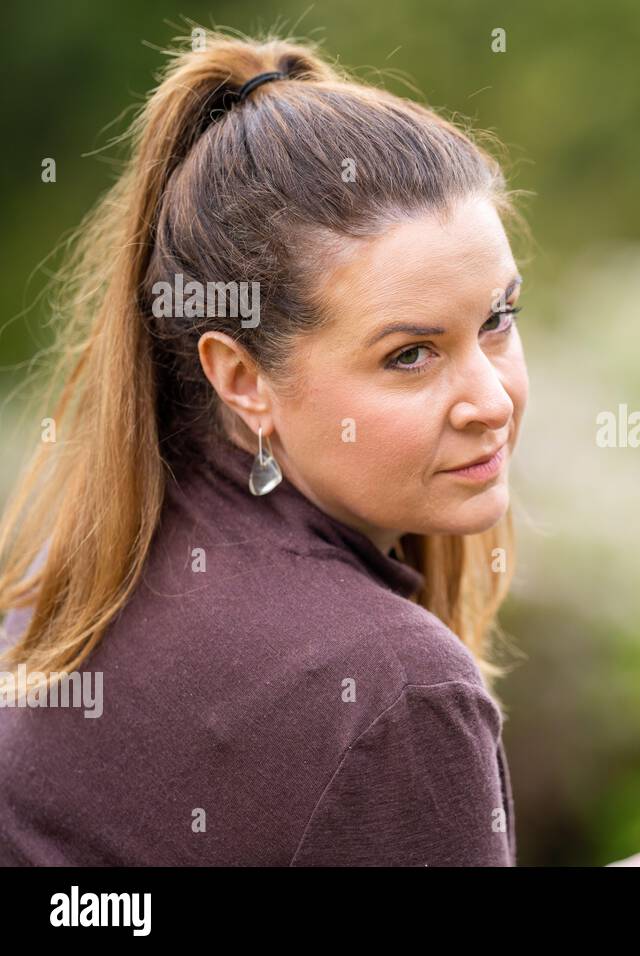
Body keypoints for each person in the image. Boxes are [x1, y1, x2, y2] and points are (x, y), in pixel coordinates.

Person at [0, 33, 533, 865]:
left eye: (497, 320)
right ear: (243, 379)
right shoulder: (396, 691)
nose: (493, 402)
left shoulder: (63, 591)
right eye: (409, 355)